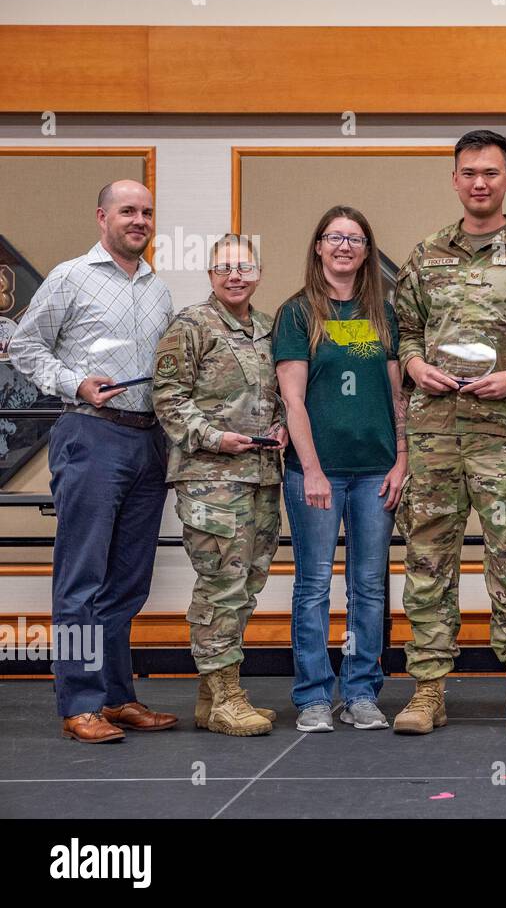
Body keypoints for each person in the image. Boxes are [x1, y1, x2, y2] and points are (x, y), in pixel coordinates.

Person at [393, 130, 506, 736]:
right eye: (469, 172)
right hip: (436, 433)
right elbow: (405, 331)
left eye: (491, 173)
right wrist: (415, 365)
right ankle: (427, 690)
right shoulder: (424, 255)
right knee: (428, 561)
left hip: (504, 433)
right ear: (455, 179)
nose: (480, 183)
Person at [9, 179, 176, 743]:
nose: (139, 220)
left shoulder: (159, 290)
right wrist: (74, 382)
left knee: (127, 582)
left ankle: (116, 696)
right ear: (101, 216)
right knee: (82, 578)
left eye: (147, 212)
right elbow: (24, 345)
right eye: (128, 210)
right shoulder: (69, 277)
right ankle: (79, 703)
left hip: (148, 440)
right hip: (91, 435)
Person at [274, 206, 406, 733]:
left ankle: (360, 692)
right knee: (312, 586)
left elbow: (397, 395)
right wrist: (312, 469)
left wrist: (401, 458)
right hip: (317, 472)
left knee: (369, 586)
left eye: (355, 238)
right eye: (335, 237)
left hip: (376, 472)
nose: (345, 246)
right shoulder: (297, 313)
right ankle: (311, 695)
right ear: (319, 248)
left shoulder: (383, 314)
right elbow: (294, 400)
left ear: (367, 251)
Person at [152, 234, 286, 736]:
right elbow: (168, 398)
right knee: (221, 585)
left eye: (244, 267)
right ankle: (228, 695)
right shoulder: (191, 326)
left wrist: (283, 427)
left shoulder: (270, 328)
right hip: (211, 477)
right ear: (210, 274)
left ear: (258, 273)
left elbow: (282, 396)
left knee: (248, 582)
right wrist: (214, 437)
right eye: (224, 268)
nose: (235, 276)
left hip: (261, 476)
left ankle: (212, 697)